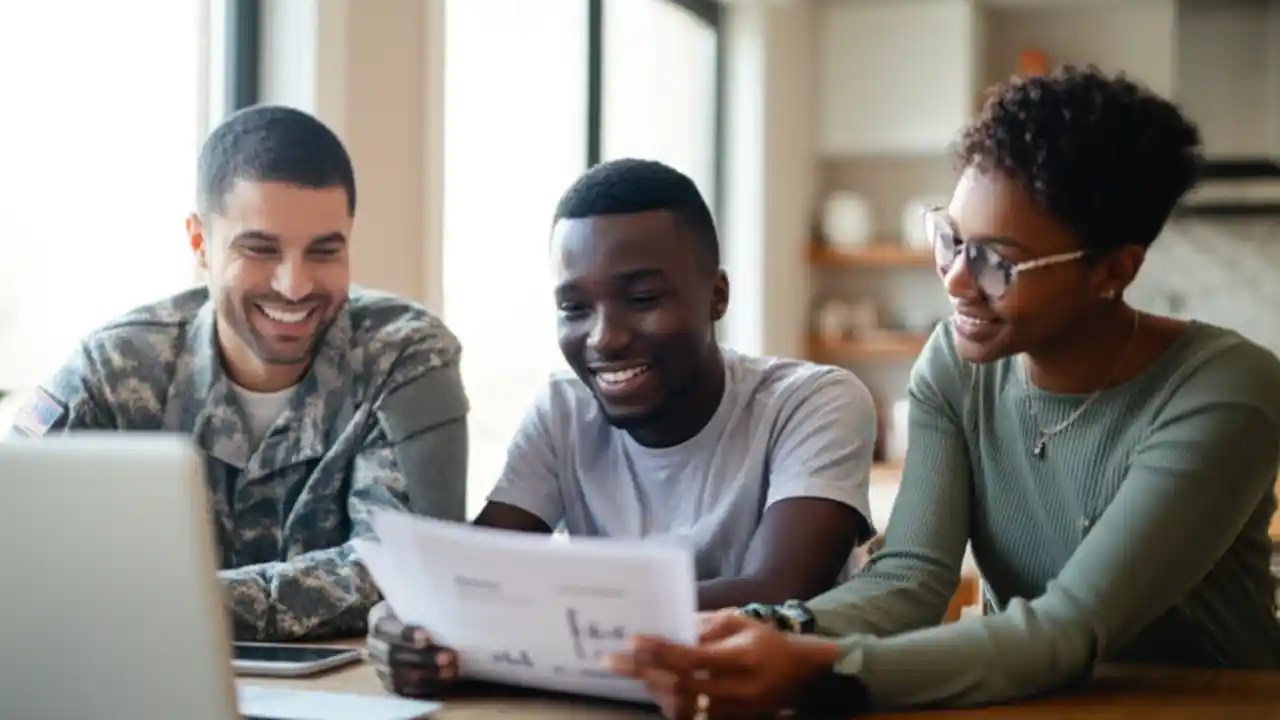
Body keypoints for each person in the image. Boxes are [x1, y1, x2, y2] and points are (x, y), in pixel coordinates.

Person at [608, 66, 1280, 718]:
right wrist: (765, 626)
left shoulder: (1225, 392)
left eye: (996, 260)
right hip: (1023, 699)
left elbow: (1069, 627)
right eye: (950, 240)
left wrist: (818, 668)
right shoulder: (955, 367)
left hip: (1209, 704)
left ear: (1113, 270)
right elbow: (909, 581)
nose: (957, 280)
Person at [367, 158, 878, 697]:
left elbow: (778, 591)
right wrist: (411, 624)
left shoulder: (814, 402)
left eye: (641, 300)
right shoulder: (562, 413)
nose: (604, 338)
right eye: (575, 308)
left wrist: (523, 618)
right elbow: (469, 584)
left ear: (717, 295)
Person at [8, 105, 469, 641]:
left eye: (324, 251)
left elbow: (408, 567)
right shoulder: (116, 367)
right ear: (200, 242)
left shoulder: (405, 356)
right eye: (260, 250)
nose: (295, 285)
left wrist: (166, 603)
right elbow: (18, 538)